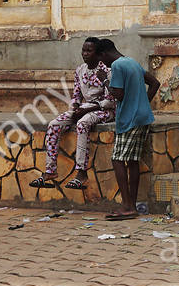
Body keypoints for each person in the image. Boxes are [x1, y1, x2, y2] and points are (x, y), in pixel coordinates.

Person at [30, 37, 115, 190]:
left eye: (89, 51)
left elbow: (110, 101)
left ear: (98, 53)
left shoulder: (106, 71)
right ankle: (50, 171)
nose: (85, 54)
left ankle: (81, 173)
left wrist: (86, 110)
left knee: (82, 123)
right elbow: (76, 95)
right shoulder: (80, 70)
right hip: (84, 108)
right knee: (54, 124)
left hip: (104, 110)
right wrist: (75, 107)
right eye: (84, 50)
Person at [98, 38, 160, 221]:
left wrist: (104, 81)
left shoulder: (117, 66)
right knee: (132, 161)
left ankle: (127, 206)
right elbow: (155, 83)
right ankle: (131, 205)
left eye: (102, 60)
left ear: (104, 54)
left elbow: (118, 94)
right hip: (142, 116)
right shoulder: (131, 61)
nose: (104, 64)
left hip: (129, 119)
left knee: (118, 159)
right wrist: (142, 103)